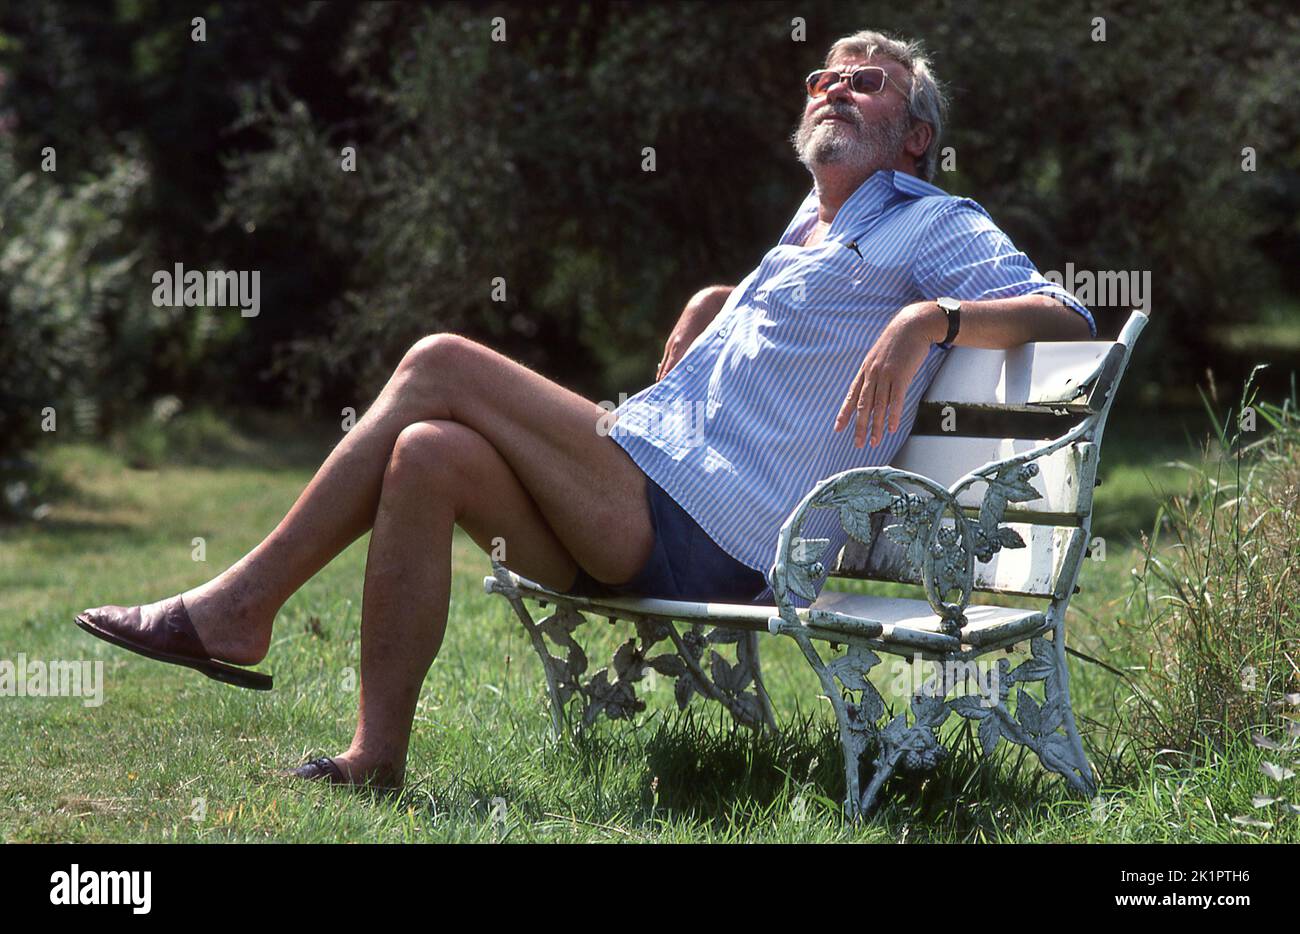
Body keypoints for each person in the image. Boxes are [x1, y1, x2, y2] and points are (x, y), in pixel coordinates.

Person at [75, 29, 1095, 792]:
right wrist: (716, 304)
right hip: (655, 504)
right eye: (822, 74)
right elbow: (800, 343)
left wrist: (931, 323)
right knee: (427, 451)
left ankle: (238, 609)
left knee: (438, 360)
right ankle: (374, 756)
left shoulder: (931, 219)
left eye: (863, 80)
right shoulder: (811, 226)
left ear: (914, 136)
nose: (832, 86)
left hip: (715, 528)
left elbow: (1064, 310)